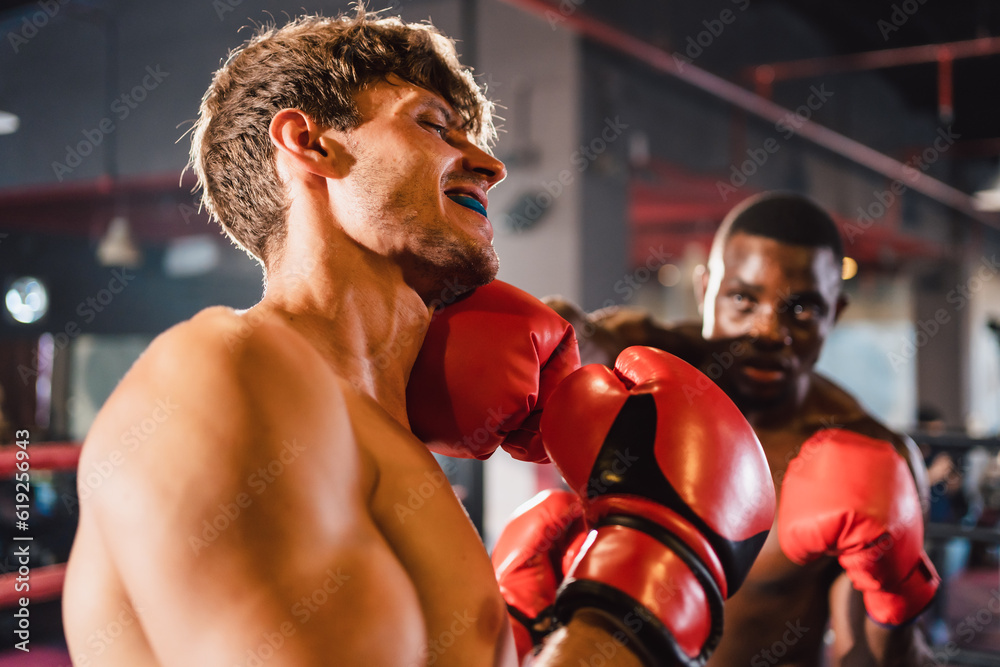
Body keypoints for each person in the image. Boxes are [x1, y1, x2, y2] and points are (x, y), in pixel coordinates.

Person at [61, 8, 775, 666]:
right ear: (308, 143)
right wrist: (644, 588)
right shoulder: (221, 369)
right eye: (435, 125)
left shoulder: (383, 435)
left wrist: (527, 635)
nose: (491, 166)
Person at [523, 192, 940, 666]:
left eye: (801, 309)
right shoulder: (650, 373)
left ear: (835, 314)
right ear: (705, 293)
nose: (767, 331)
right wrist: (544, 334)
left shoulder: (867, 453)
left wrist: (895, 608)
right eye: (742, 298)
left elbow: (865, 658)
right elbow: (587, 338)